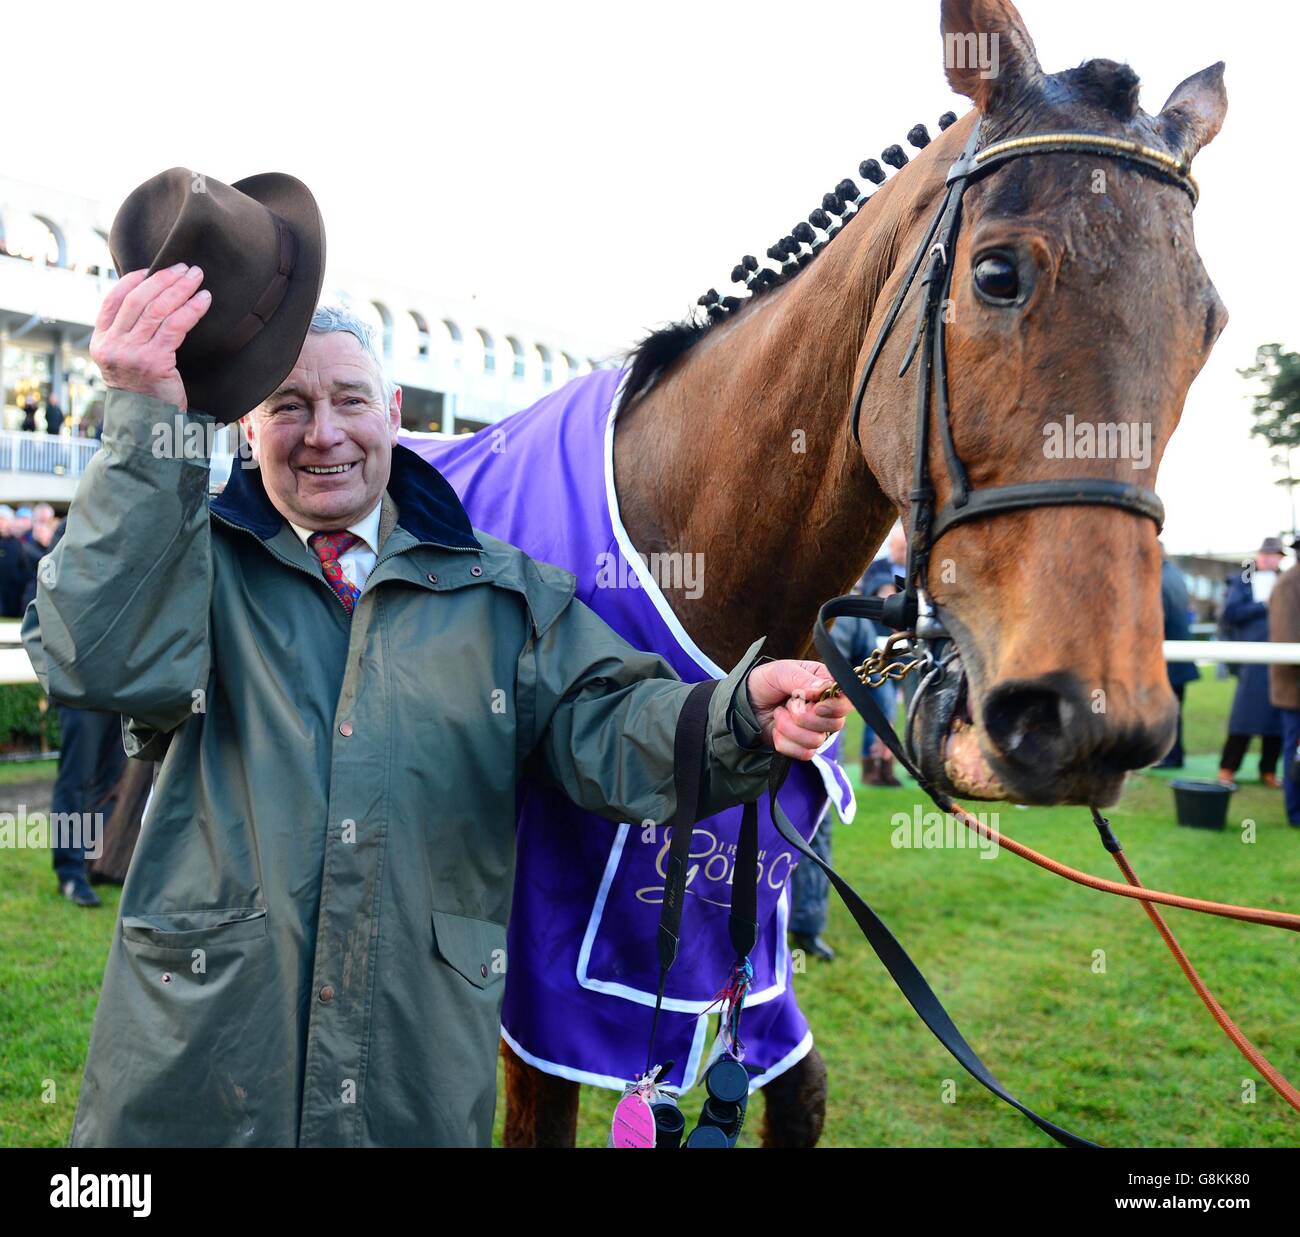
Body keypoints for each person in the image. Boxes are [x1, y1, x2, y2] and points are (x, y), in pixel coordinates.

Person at [22, 257, 852, 1148]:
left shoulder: (500, 594)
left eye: (349, 400)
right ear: (250, 428)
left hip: (408, 1082)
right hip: (200, 1069)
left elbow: (610, 725)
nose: (323, 432)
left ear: (392, 416)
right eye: (290, 407)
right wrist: (146, 415)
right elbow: (90, 659)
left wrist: (739, 715)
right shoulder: (196, 568)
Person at [1218, 536, 1285, 787]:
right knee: (1244, 716)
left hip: (1279, 656)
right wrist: (1263, 606)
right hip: (1251, 657)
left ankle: (1268, 769)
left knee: (1276, 717)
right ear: (1259, 555)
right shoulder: (1244, 579)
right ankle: (1228, 767)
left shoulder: (1285, 580)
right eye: (1266, 554)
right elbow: (1231, 613)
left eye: (1275, 554)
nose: (1270, 558)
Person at [1155, 545, 1199, 768]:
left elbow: (1157, 619)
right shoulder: (1174, 574)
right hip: (1180, 658)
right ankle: (1174, 755)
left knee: (1167, 712)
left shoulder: (1159, 578)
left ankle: (1170, 756)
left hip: (1169, 660)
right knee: (1174, 711)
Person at [1268, 542, 1300, 827]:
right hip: (1294, 689)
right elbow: (1287, 640)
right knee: (1296, 752)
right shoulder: (1290, 584)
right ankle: (1296, 813)